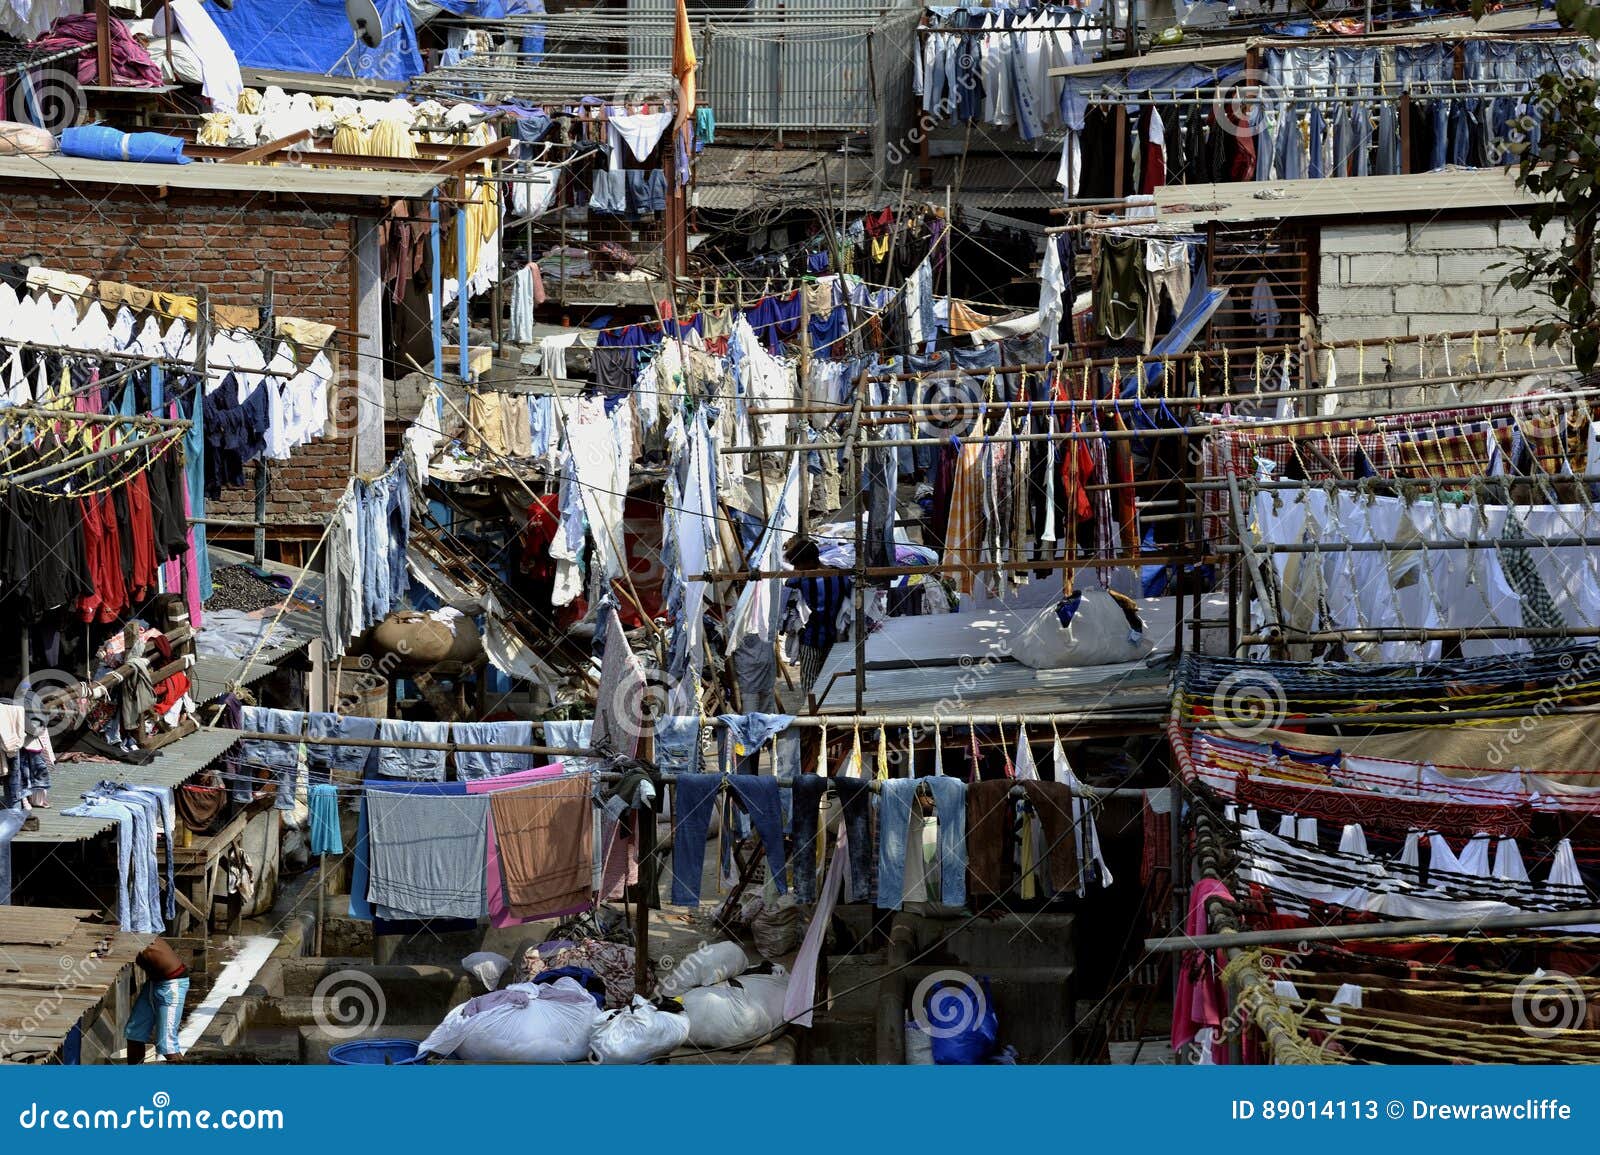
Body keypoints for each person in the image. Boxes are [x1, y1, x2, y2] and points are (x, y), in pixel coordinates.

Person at [125, 936, 189, 1063]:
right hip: (154, 983)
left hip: (172, 984)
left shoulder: (134, 937)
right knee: (134, 1034)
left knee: (167, 1046)